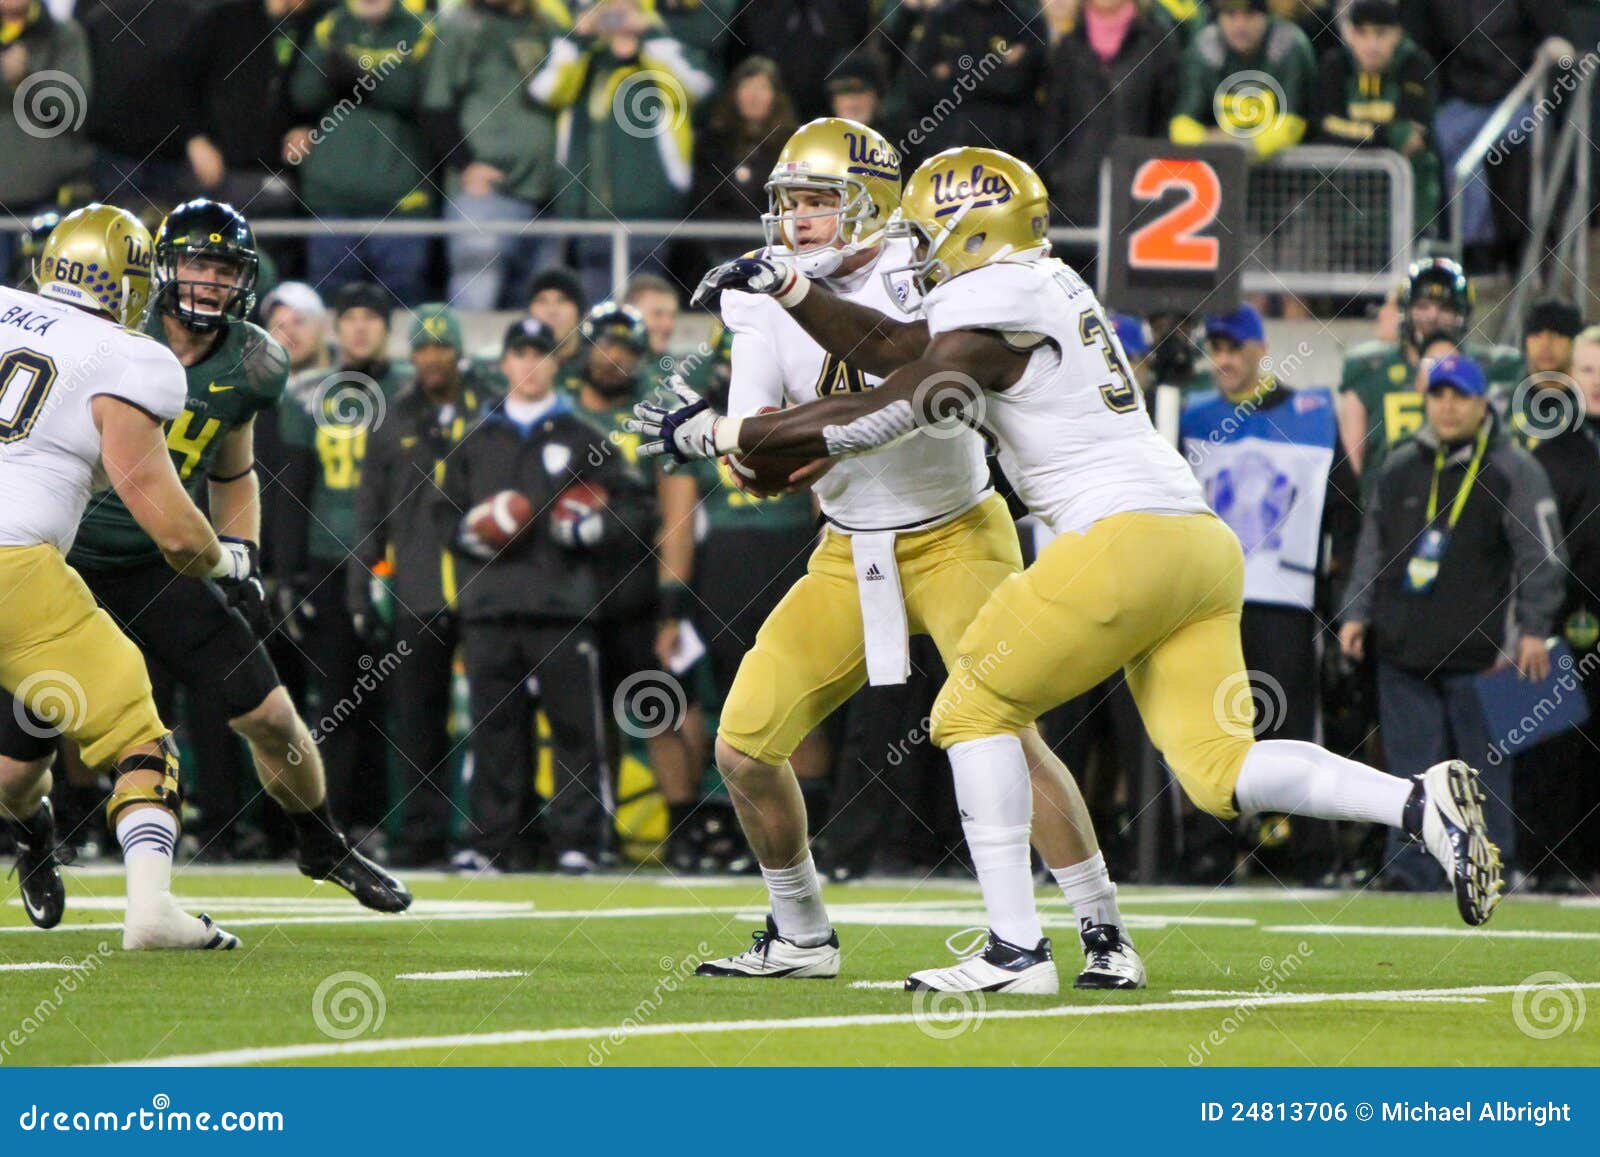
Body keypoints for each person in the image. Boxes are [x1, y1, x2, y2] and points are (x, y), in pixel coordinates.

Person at [643, 146, 1508, 995]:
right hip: (1197, 544)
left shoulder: (996, 301)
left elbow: (890, 403)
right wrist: (792, 293)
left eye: (932, 229)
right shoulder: (1043, 281)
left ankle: (1017, 949)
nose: (921, 246)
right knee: (1219, 770)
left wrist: (720, 434)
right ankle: (1415, 802)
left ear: (971, 232)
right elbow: (898, 342)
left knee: (971, 706)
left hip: (1119, 536)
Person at [673, 121, 1144, 991]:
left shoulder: (932, 265)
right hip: (846, 550)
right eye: (789, 204)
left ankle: (1101, 924)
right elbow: (754, 458)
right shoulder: (758, 294)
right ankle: (802, 929)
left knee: (1004, 728)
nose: (800, 221)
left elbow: (934, 390)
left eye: (820, 202)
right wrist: (749, 447)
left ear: (874, 205)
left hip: (958, 529)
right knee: (741, 746)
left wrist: (805, 441)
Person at [1, 199, 410, 912]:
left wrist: (242, 549)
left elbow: (233, 471)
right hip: (64, 560)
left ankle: (321, 841)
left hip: (164, 566)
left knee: (272, 715)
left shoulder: (249, 362)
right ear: (159, 268)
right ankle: (36, 832)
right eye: (195, 262)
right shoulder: (115, 335)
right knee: (12, 767)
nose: (208, 280)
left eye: (223, 268)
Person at [0, 204, 247, 949]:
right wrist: (226, 557)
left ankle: (32, 821)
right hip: (17, 568)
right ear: (134, 284)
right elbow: (172, 529)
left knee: (12, 776)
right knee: (137, 734)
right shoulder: (128, 358)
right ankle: (151, 911)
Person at [1339, 353, 1563, 890]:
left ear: (1483, 401)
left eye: (1459, 395)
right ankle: (1412, 870)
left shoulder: (1514, 468)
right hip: (1401, 648)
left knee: (1486, 773)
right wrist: (1355, 613)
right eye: (1438, 394)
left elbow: (1544, 554)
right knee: (1410, 772)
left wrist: (1534, 626)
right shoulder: (1397, 466)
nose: (1446, 405)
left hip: (1484, 653)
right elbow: (1373, 549)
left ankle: (1493, 864)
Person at [439, 318, 630, 873]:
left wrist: (598, 527)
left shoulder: (584, 437)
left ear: (555, 364)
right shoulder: (477, 439)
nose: (529, 365)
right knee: (493, 730)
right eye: (519, 354)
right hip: (491, 606)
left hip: (562, 607)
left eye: (540, 354)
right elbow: (441, 514)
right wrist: (470, 531)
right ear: (503, 364)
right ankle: (494, 841)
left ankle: (577, 840)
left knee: (575, 729)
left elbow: (630, 506)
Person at [1181, 305, 1361, 884]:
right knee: (1210, 724)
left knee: (1287, 729)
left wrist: (1338, 587)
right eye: (1217, 348)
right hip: (1210, 603)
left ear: (1260, 349)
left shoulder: (1310, 414)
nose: (1225, 360)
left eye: (1235, 348)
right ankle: (1210, 843)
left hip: (1283, 601)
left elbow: (1346, 508)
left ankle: (1300, 849)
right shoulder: (1192, 417)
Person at [350, 304, 495, 867]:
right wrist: (359, 585)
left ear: (459, 352)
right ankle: (419, 836)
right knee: (416, 724)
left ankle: (492, 836)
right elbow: (369, 510)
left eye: (443, 347)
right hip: (417, 591)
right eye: (424, 348)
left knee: (493, 719)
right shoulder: (393, 418)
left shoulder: (489, 408)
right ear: (411, 356)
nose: (433, 358)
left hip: (485, 588)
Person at [273, 282, 412, 845]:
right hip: (330, 560)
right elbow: (291, 489)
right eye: (350, 317)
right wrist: (287, 571)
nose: (360, 328)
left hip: (398, 564)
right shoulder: (311, 397)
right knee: (334, 700)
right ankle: (330, 821)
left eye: (370, 318)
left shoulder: (409, 393)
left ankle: (380, 822)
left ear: (385, 327)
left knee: (393, 701)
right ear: (337, 327)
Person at [529, 0, 714, 304]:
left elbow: (698, 86)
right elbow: (544, 89)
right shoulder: (589, 63)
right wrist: (578, 36)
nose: (616, 18)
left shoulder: (658, 57)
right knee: (596, 312)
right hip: (590, 214)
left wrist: (650, 36)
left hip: (649, 212)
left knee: (642, 303)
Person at [422, 0, 567, 310]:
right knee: (476, 301)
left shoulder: (548, 26)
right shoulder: (461, 24)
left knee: (543, 316)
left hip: (548, 194)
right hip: (486, 193)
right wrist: (466, 166)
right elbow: (435, 105)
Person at [288, 0, 435, 303]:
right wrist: (379, 79)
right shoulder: (330, 24)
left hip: (400, 201)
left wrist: (352, 71)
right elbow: (304, 93)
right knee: (330, 310)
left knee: (403, 309)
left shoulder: (421, 28)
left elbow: (414, 92)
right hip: (332, 196)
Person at [1337, 258, 1522, 490]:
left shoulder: (1491, 367)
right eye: (1423, 306)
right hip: (1390, 507)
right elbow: (1350, 462)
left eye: (1446, 308)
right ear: (1406, 311)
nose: (1433, 316)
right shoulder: (1371, 368)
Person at [1043, 0, 1181, 228]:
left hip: (1140, 191)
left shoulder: (1157, 43)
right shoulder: (1068, 46)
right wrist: (1059, 175)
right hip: (1073, 199)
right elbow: (1051, 122)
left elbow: (1164, 116)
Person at [1315, 0, 1440, 234]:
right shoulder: (1334, 65)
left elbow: (1412, 136)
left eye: (1381, 34)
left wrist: (1351, 134)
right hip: (1346, 210)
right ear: (1350, 34)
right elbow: (1324, 128)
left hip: (1410, 212)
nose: (1371, 45)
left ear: (1397, 34)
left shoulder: (1417, 64)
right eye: (1362, 34)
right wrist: (1386, 134)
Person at [0, 0, 92, 276]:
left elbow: (73, 108)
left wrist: (25, 80)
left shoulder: (63, 34)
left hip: (47, 198)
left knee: (43, 291)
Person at [1170, 0, 1314, 160]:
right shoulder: (1205, 48)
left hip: (1279, 173)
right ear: (1219, 18)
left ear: (1266, 16)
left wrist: (1241, 148)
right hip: (1223, 168)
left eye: (1250, 15)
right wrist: (1207, 143)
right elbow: (1182, 122)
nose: (1240, 26)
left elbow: (1293, 122)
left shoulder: (1288, 45)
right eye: (1231, 15)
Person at [691, 56, 798, 233]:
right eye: (747, 87)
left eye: (762, 88)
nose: (753, 96)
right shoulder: (712, 142)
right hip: (719, 243)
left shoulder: (792, 144)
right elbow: (702, 202)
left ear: (776, 96)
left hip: (776, 245)